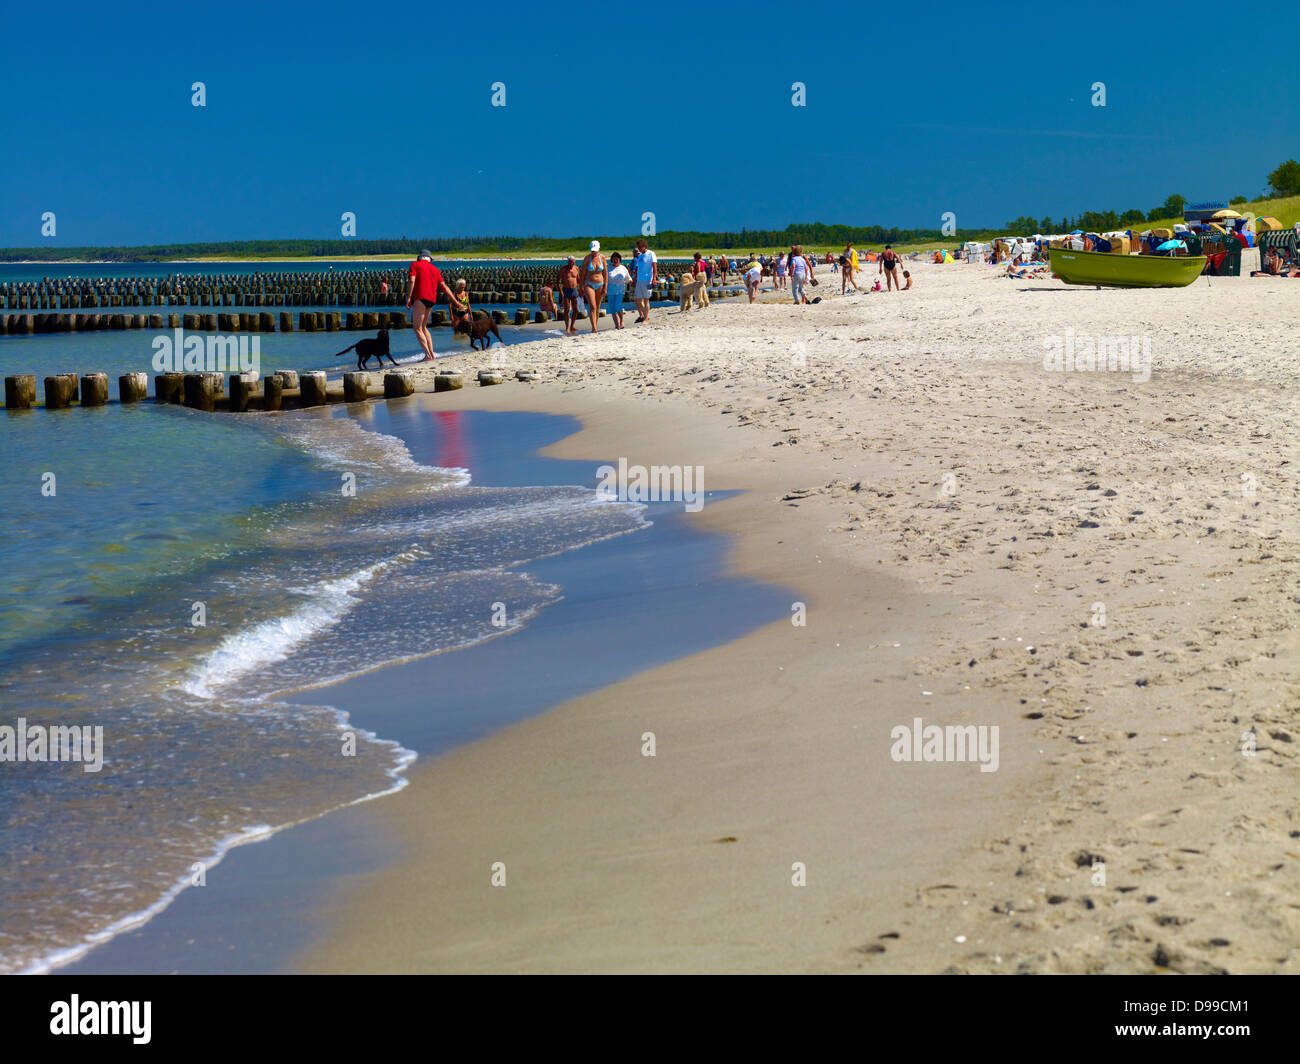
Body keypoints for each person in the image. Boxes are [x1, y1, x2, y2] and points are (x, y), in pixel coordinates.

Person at [407, 248, 463, 361]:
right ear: (429, 259)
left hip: (420, 297)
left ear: (419, 257)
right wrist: (456, 302)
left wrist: (409, 297)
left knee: (417, 328)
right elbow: (445, 288)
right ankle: (431, 355)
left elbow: (411, 281)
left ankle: (428, 356)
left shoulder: (414, 265)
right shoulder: (435, 269)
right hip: (431, 300)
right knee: (423, 327)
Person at [579, 240, 606, 334]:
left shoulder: (602, 258)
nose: (593, 252)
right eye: (592, 250)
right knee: (592, 306)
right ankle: (594, 328)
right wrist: (581, 287)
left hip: (600, 284)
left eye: (595, 250)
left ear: (598, 249)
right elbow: (582, 274)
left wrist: (605, 287)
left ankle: (595, 325)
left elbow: (605, 273)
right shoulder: (587, 259)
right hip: (589, 284)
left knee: (597, 307)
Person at [632, 239, 658, 323]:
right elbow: (638, 269)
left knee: (646, 299)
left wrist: (654, 278)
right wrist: (635, 279)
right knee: (638, 300)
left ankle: (646, 318)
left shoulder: (651, 253)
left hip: (647, 280)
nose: (639, 249)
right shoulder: (640, 256)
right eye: (638, 247)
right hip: (639, 280)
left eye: (640, 247)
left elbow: (654, 267)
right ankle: (646, 315)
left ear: (644, 246)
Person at [557, 256, 581, 335]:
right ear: (568, 262)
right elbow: (558, 282)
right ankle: (567, 327)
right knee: (567, 309)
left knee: (576, 309)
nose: (571, 264)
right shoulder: (563, 269)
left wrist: (581, 289)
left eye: (573, 262)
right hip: (566, 290)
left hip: (574, 290)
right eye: (570, 262)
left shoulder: (576, 268)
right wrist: (561, 292)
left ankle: (572, 326)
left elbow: (578, 280)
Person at [606, 252, 631, 328]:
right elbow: (603, 279)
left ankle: (622, 321)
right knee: (612, 309)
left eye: (617, 259)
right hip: (610, 291)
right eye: (613, 259)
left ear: (620, 260)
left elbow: (628, 278)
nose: (615, 260)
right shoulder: (608, 268)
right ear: (611, 260)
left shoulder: (623, 268)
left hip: (620, 290)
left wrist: (633, 282)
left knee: (618, 306)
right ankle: (616, 325)